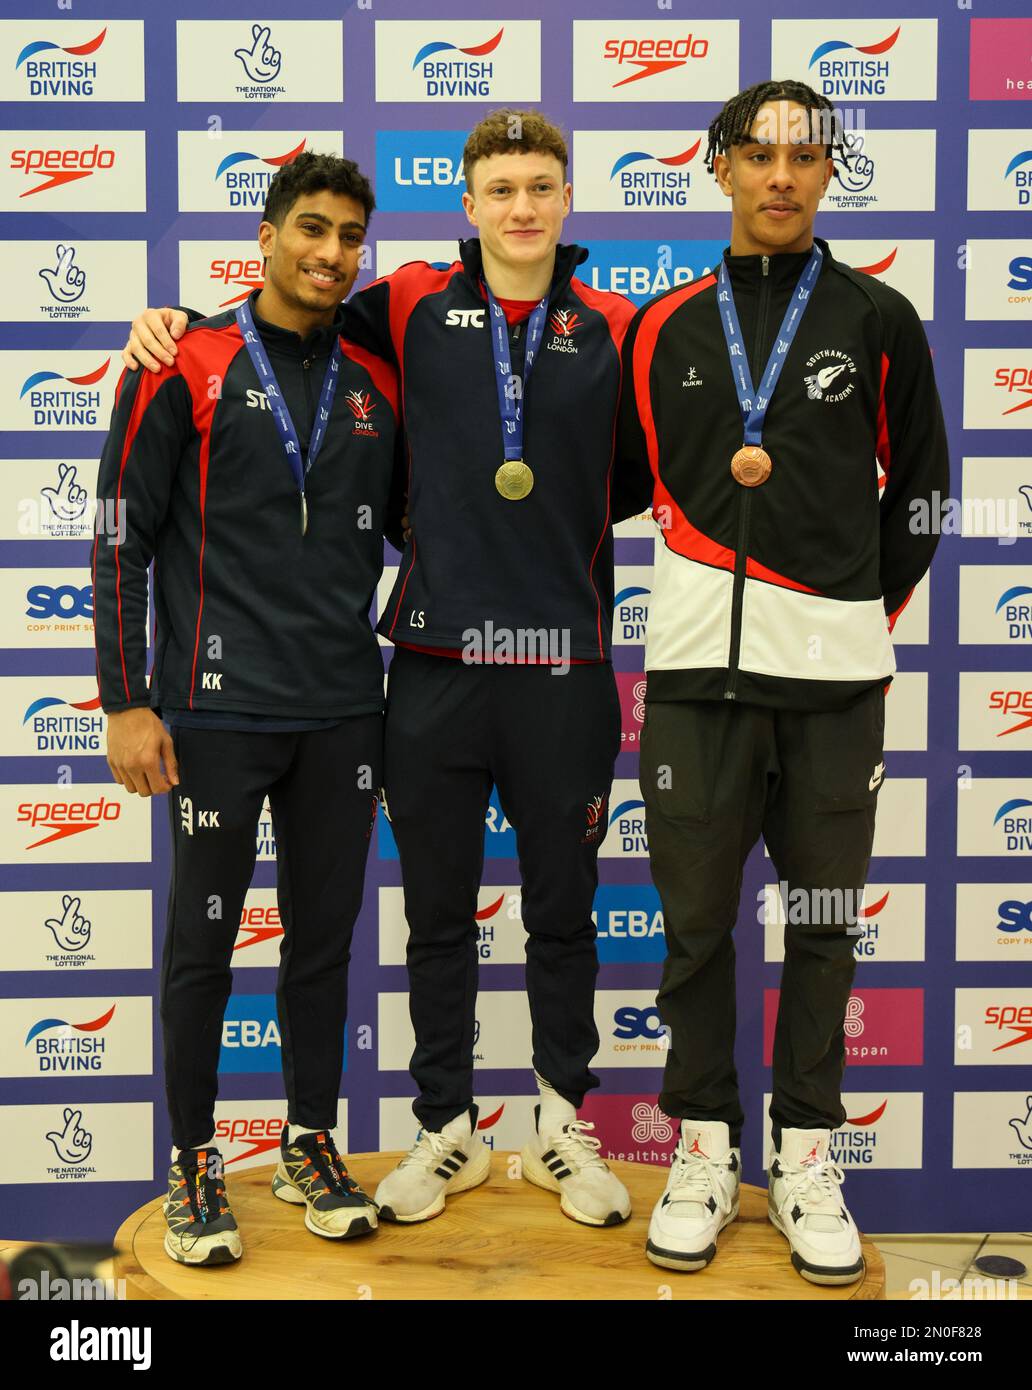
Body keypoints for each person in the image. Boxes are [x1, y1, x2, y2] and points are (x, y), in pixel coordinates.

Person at [122, 110, 652, 1230]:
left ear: (567, 199)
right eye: (498, 187)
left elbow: (635, 475)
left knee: (553, 910)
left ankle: (560, 1125)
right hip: (403, 673)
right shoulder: (400, 307)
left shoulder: (615, 323)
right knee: (419, 920)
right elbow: (263, 337)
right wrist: (163, 321)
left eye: (540, 187)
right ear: (467, 203)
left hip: (541, 668)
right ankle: (429, 1132)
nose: (520, 206)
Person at [618, 80, 948, 1283]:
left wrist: (855, 617)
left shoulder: (880, 316)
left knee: (820, 927)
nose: (781, 176)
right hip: (697, 680)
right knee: (698, 931)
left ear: (829, 175)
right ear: (716, 167)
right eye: (757, 154)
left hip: (835, 686)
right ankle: (705, 1147)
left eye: (805, 158)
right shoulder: (661, 326)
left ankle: (807, 1149)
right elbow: (598, 473)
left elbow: (923, 493)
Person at [96, 152, 402, 1265]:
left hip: (340, 713)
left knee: (322, 945)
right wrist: (126, 702)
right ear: (265, 236)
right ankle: (189, 1161)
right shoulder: (187, 358)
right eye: (311, 229)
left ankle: (309, 1142)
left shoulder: (380, 374)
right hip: (213, 714)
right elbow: (118, 533)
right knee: (203, 950)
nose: (329, 253)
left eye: (349, 238)